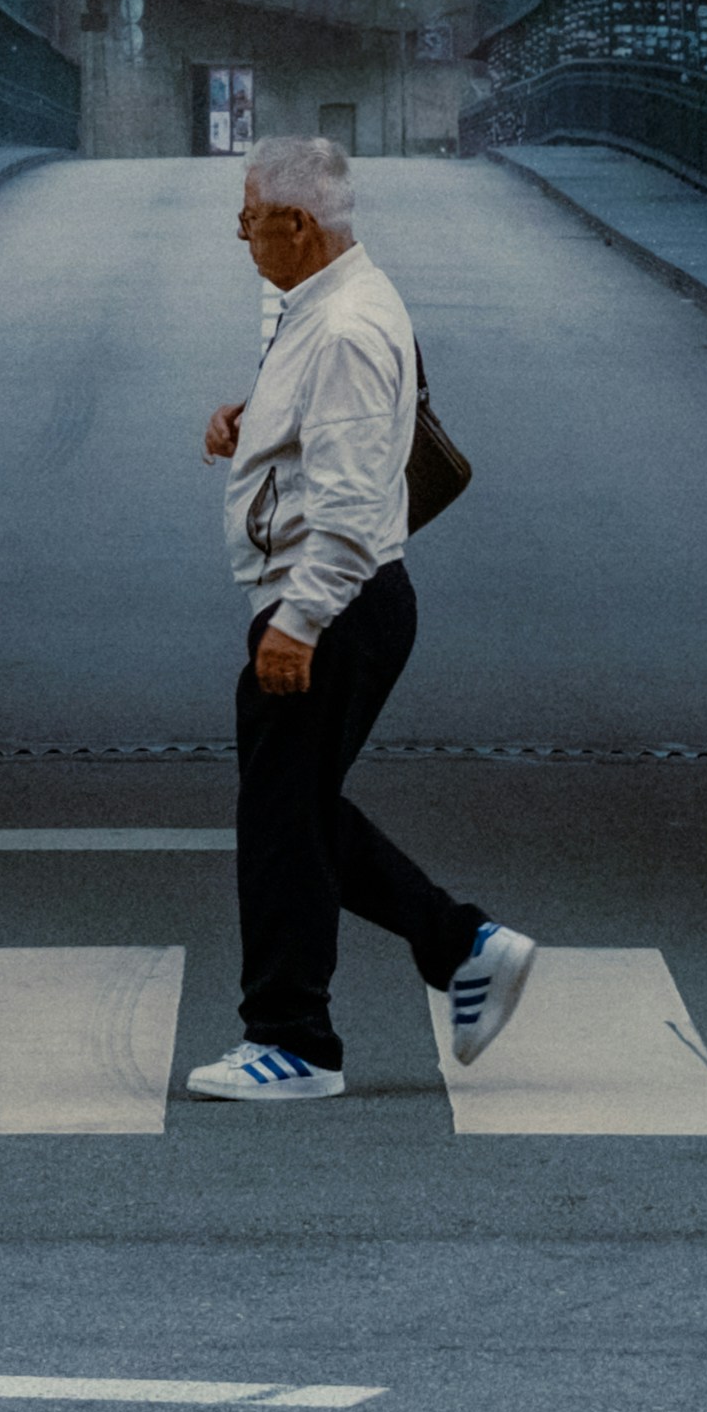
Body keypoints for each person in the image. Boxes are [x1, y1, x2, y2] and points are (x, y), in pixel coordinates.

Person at [182, 134, 535, 1104]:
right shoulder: (338, 300)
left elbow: (346, 499)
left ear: (296, 223)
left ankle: (292, 1039)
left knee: (279, 818)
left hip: (330, 598)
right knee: (291, 807)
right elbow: (342, 435)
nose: (241, 235)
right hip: (345, 597)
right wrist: (252, 420)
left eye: (247, 218)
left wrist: (298, 621)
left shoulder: (339, 326)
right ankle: (461, 944)